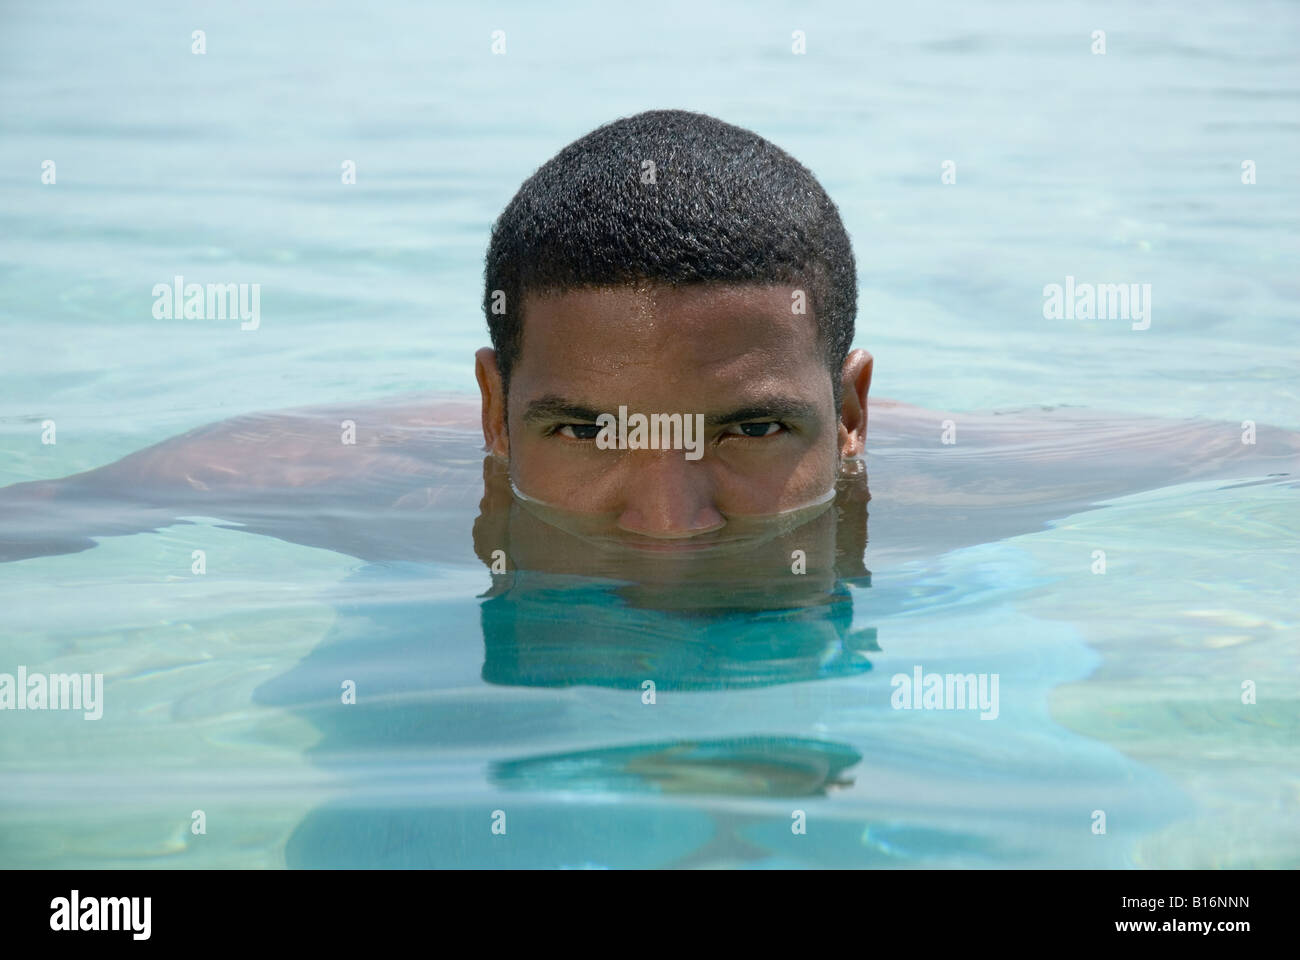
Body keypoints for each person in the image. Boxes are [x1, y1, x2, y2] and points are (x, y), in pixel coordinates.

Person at [1, 110, 1294, 576]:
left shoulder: (968, 480)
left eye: (748, 429)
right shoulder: (324, 476)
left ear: (853, 419)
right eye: (587, 430)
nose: (670, 523)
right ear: (491, 414)